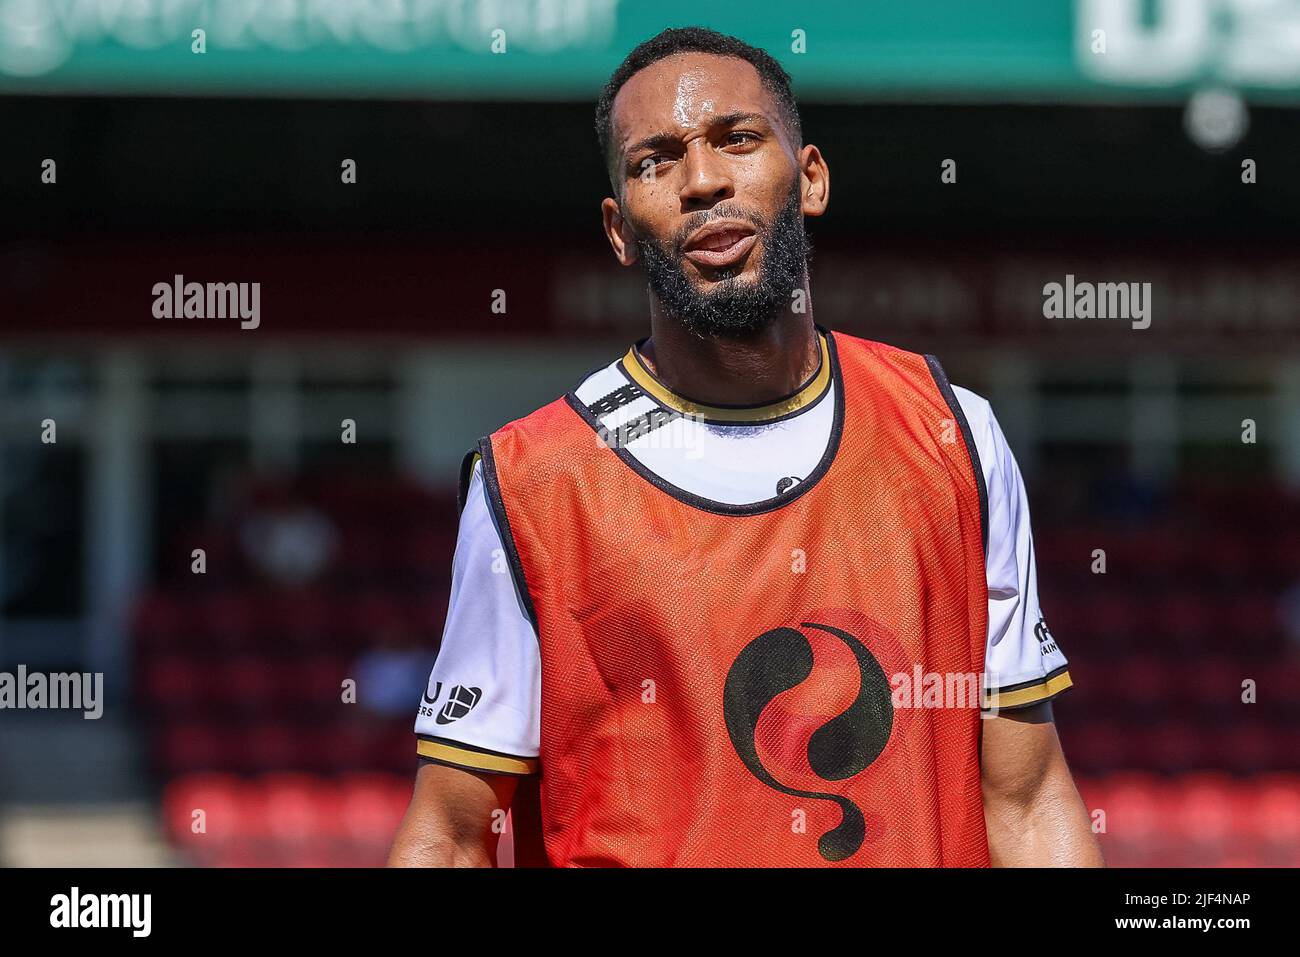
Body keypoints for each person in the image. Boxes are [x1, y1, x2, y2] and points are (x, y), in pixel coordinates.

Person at [389, 27, 1103, 867]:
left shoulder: (953, 433)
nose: (702, 180)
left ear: (810, 179)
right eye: (656, 159)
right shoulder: (532, 481)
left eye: (737, 139)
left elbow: (1025, 799)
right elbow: (450, 834)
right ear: (618, 232)